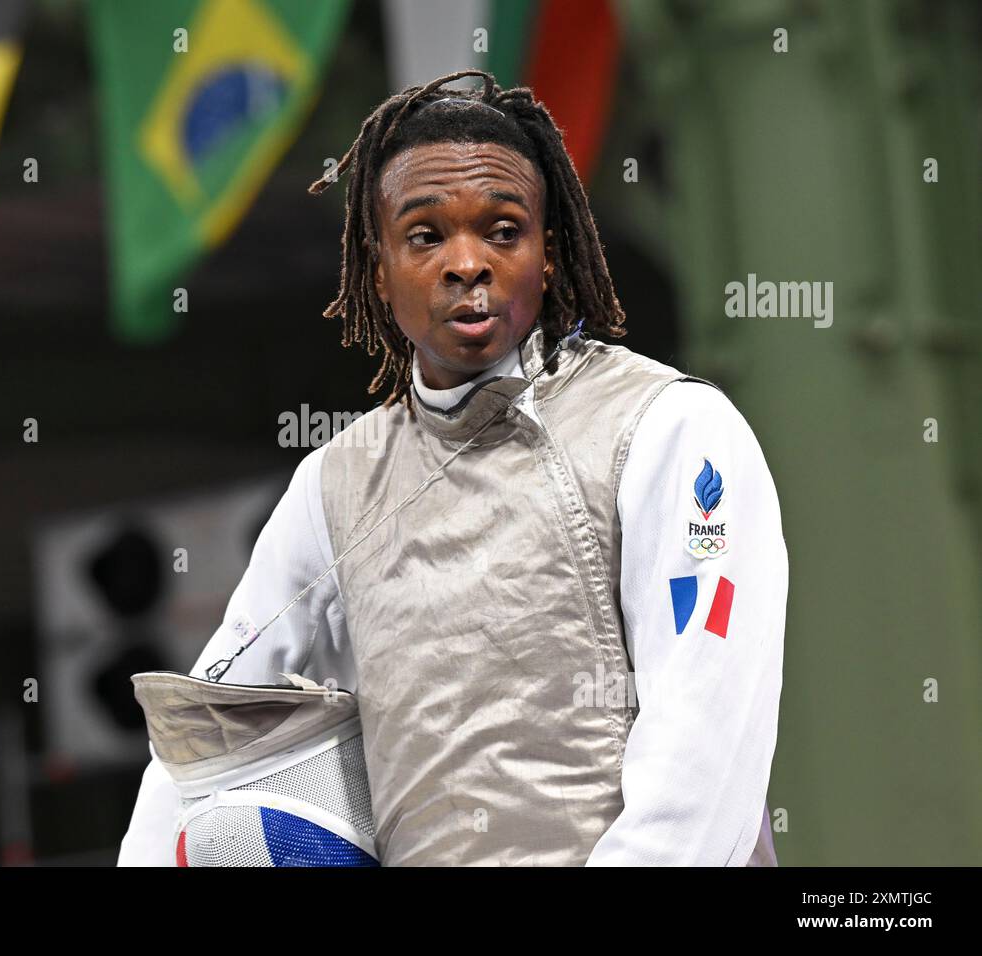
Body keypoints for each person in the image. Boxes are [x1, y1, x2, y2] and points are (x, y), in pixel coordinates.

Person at [118, 70, 786, 866]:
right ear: (378, 270)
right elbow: (205, 745)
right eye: (427, 235)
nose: (467, 263)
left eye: (504, 231)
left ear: (549, 252)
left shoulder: (670, 427)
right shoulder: (334, 486)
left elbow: (703, 744)